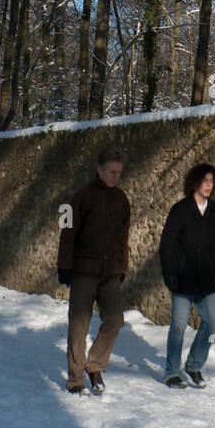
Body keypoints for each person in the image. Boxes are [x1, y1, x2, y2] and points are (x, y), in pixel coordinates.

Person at [56, 147, 130, 394]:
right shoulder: (80, 197)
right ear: (99, 170)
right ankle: (75, 379)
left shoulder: (121, 199)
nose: (115, 177)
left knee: (116, 320)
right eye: (111, 172)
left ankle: (95, 365)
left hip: (110, 273)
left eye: (119, 172)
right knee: (79, 326)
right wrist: (64, 266)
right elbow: (67, 233)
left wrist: (122, 268)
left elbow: (123, 238)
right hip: (83, 271)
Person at [159, 162, 215, 388]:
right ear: (194, 182)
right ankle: (172, 372)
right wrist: (170, 273)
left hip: (206, 279)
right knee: (178, 326)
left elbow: (214, 245)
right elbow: (167, 244)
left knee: (212, 321)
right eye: (204, 180)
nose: (208, 185)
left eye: (211, 181)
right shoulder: (180, 210)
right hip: (183, 279)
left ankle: (194, 365)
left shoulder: (213, 210)